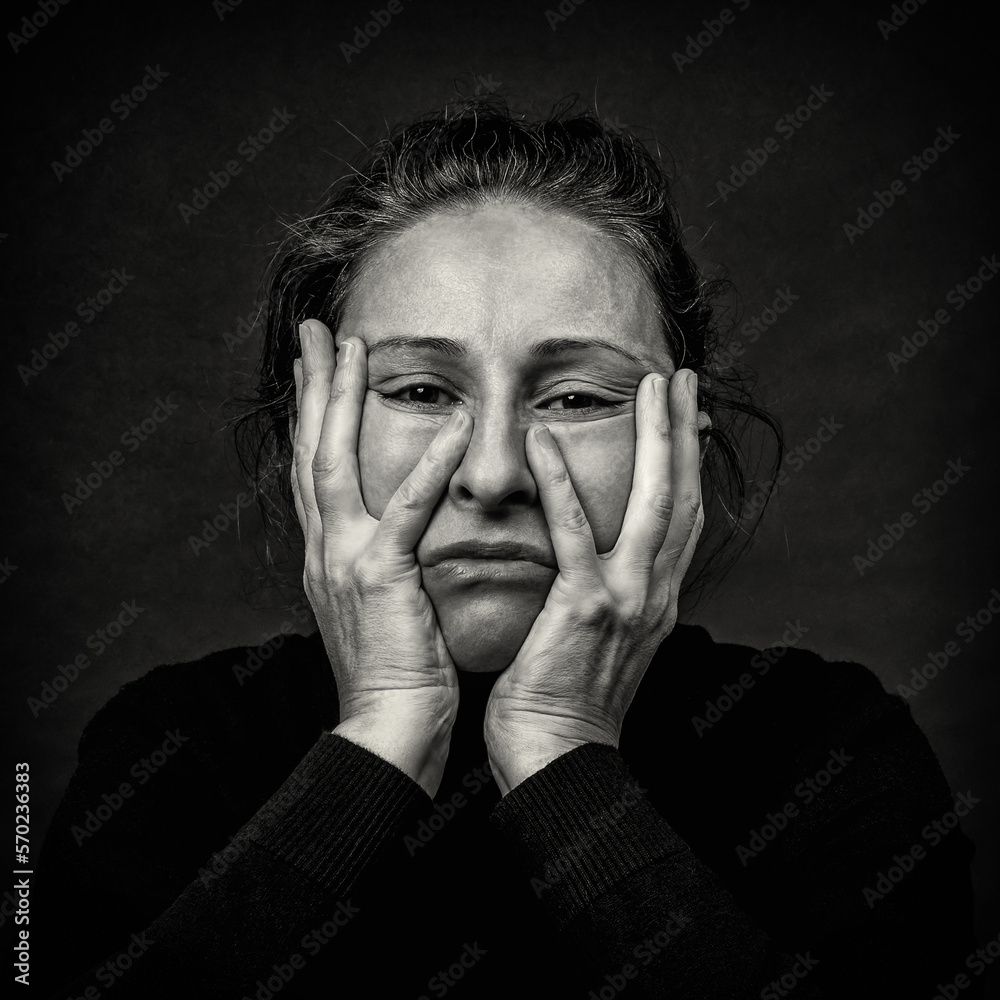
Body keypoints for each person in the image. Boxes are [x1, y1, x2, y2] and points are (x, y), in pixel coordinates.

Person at [35, 97, 979, 999]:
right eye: (418, 391)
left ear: (682, 444)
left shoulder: (829, 746)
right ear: (310, 433)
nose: (492, 475)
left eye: (576, 398)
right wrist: (380, 736)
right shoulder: (171, 746)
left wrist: (561, 748)